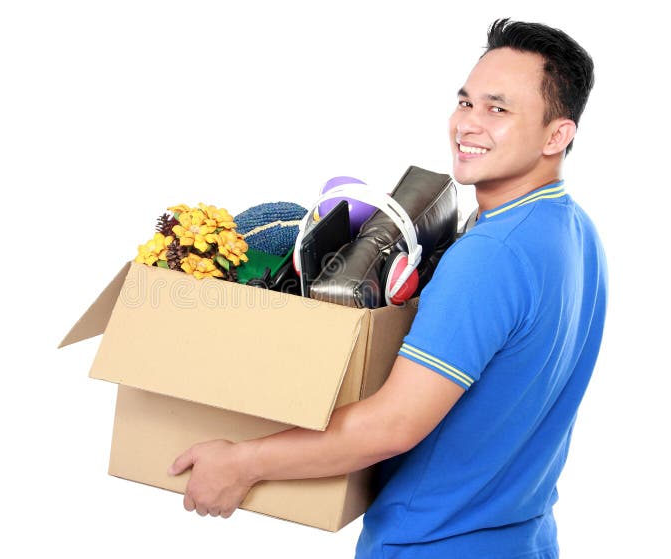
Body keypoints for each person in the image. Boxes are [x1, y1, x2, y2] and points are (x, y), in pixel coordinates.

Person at [168, 18, 607, 559]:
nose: (467, 124)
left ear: (557, 135)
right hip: (525, 540)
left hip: (437, 544)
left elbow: (393, 424)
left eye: (498, 109)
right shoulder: (574, 230)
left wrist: (241, 462)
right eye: (465, 102)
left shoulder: (492, 255)